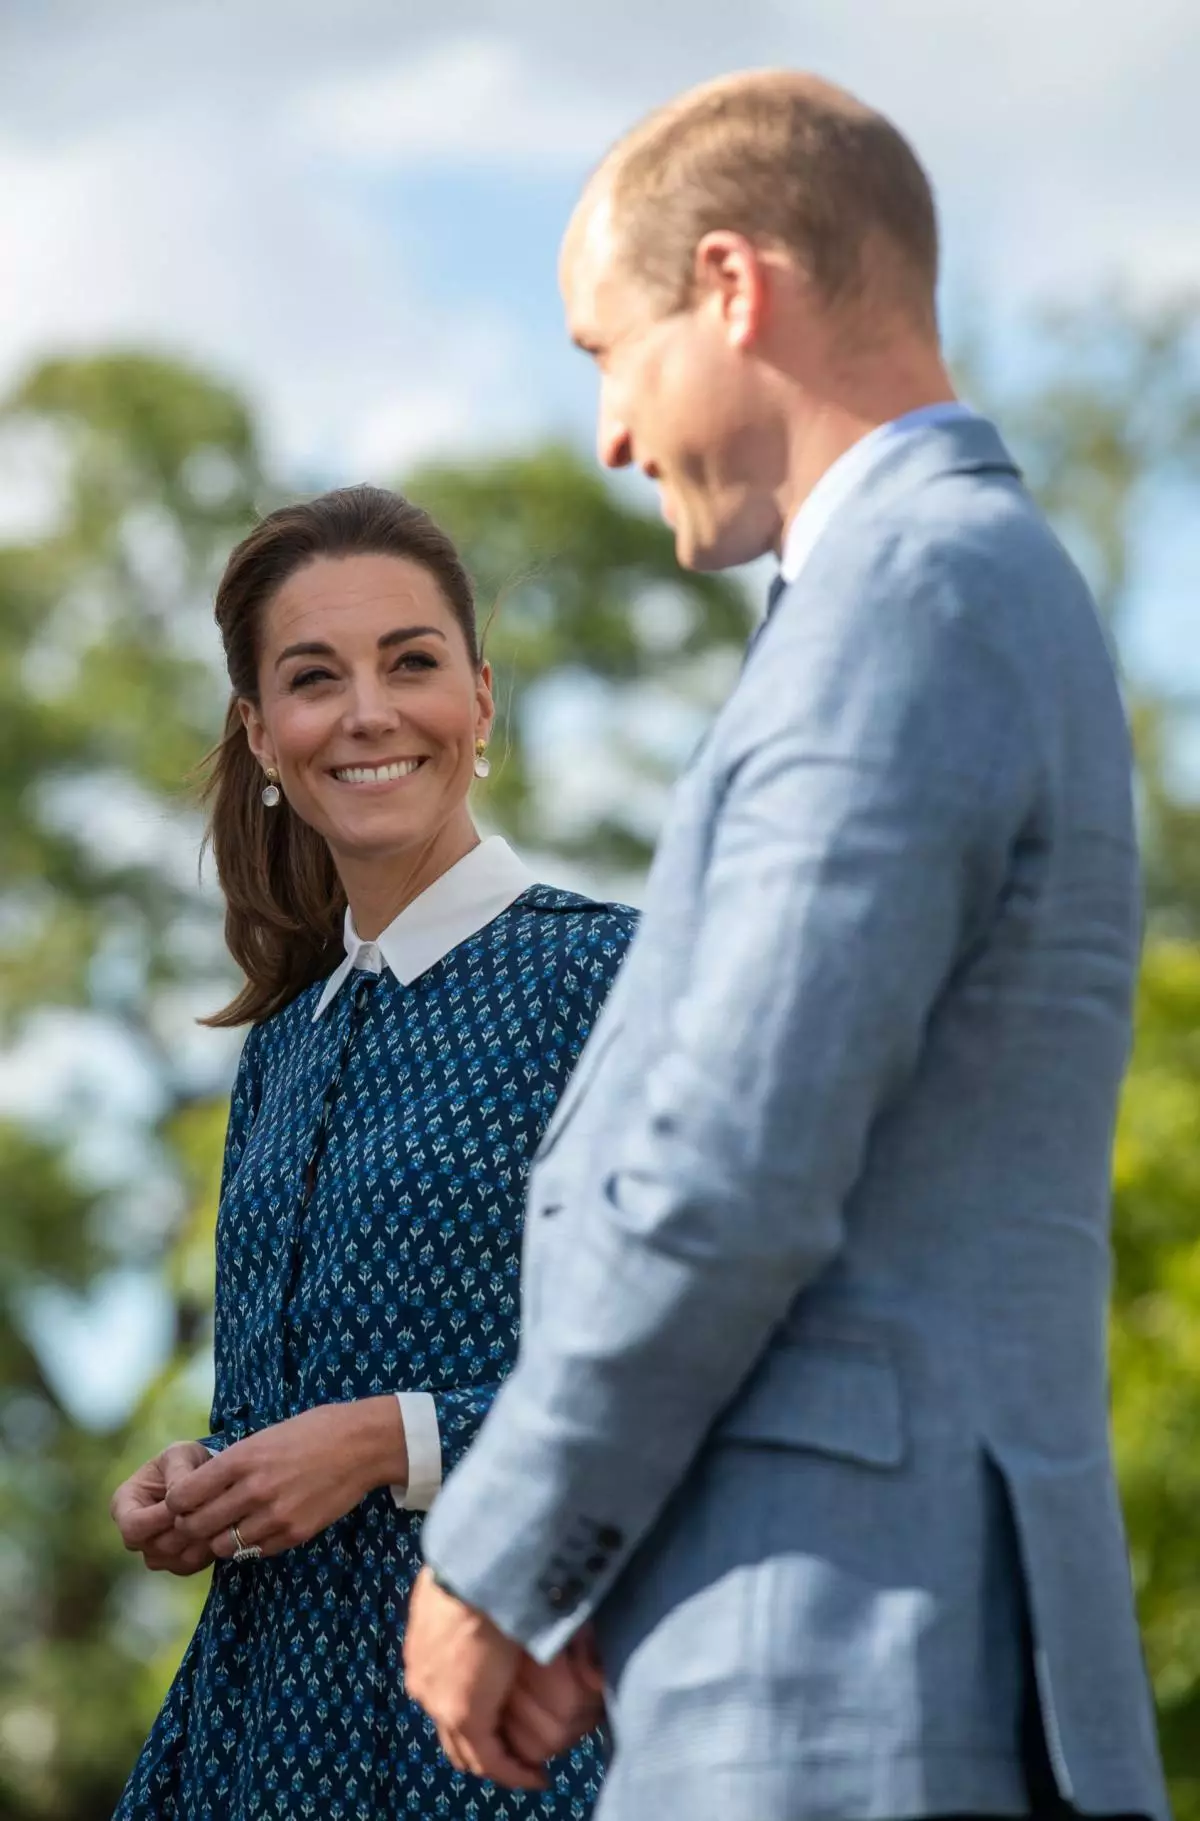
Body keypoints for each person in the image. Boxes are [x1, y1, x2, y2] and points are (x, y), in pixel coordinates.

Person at [403, 70, 1170, 1821]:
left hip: (853, 1679)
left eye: (609, 351)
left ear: (735, 290)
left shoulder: (911, 599)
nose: (608, 431)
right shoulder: (930, 592)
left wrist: (497, 1552)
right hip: (817, 1644)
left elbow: (732, 1157)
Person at [108, 485, 635, 1819]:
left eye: (412, 663)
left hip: (503, 1735)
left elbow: (709, 1373)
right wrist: (208, 1483)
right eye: (313, 678)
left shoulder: (613, 979)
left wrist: (389, 1440)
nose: (368, 713)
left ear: (483, 700)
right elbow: (284, 1418)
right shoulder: (278, 1051)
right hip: (258, 1733)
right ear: (262, 736)